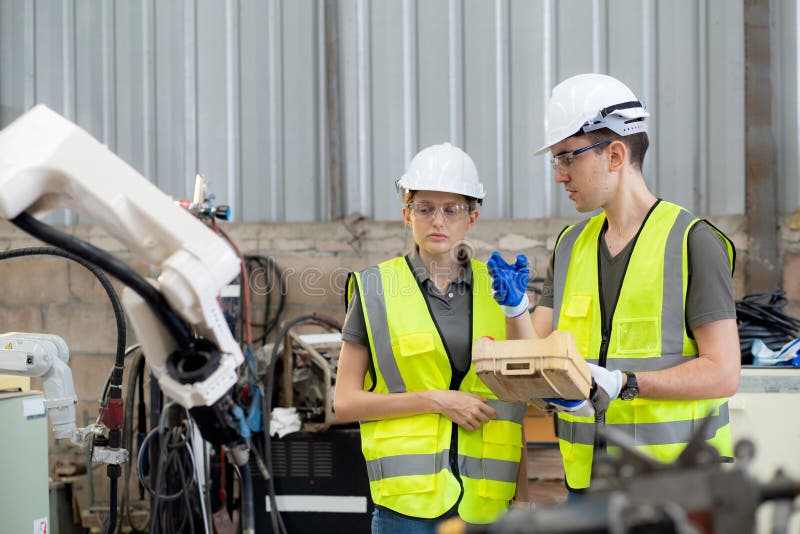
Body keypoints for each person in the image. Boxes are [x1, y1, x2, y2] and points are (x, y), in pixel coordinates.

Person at [488, 73, 741, 496]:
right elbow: (536, 361)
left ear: (615, 155)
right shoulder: (570, 246)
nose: (559, 176)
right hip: (589, 484)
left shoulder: (692, 241)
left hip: (674, 485)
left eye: (567, 158)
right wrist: (516, 313)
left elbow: (723, 372)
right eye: (556, 161)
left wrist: (625, 384)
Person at [334, 142, 529, 532]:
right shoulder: (375, 289)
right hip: (406, 510)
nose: (437, 220)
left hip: (488, 505)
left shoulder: (501, 289)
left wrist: (523, 501)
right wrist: (437, 400)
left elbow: (516, 404)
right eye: (425, 208)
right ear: (407, 214)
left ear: (472, 217)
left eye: (451, 209)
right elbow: (345, 403)